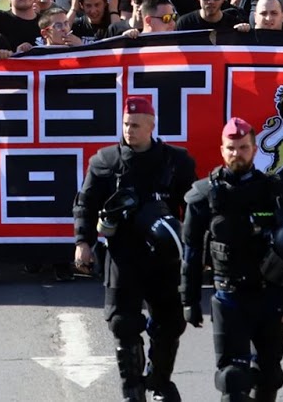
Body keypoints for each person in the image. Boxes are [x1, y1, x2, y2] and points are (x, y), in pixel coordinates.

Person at [74, 94, 198, 402]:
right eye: (127, 124)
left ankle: (159, 381)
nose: (130, 130)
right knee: (123, 324)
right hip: (123, 256)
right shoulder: (105, 162)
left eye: (137, 125)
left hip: (165, 259)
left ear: (152, 125)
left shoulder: (176, 161)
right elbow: (85, 204)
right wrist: (82, 242)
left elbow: (195, 209)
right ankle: (131, 388)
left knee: (170, 324)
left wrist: (196, 250)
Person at [181, 117, 283, 402]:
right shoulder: (204, 195)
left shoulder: (276, 193)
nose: (236, 153)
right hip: (229, 295)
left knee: (269, 376)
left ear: (254, 149)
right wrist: (189, 299)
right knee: (233, 377)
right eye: (231, 148)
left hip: (269, 295)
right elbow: (190, 251)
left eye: (243, 147)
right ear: (221, 150)